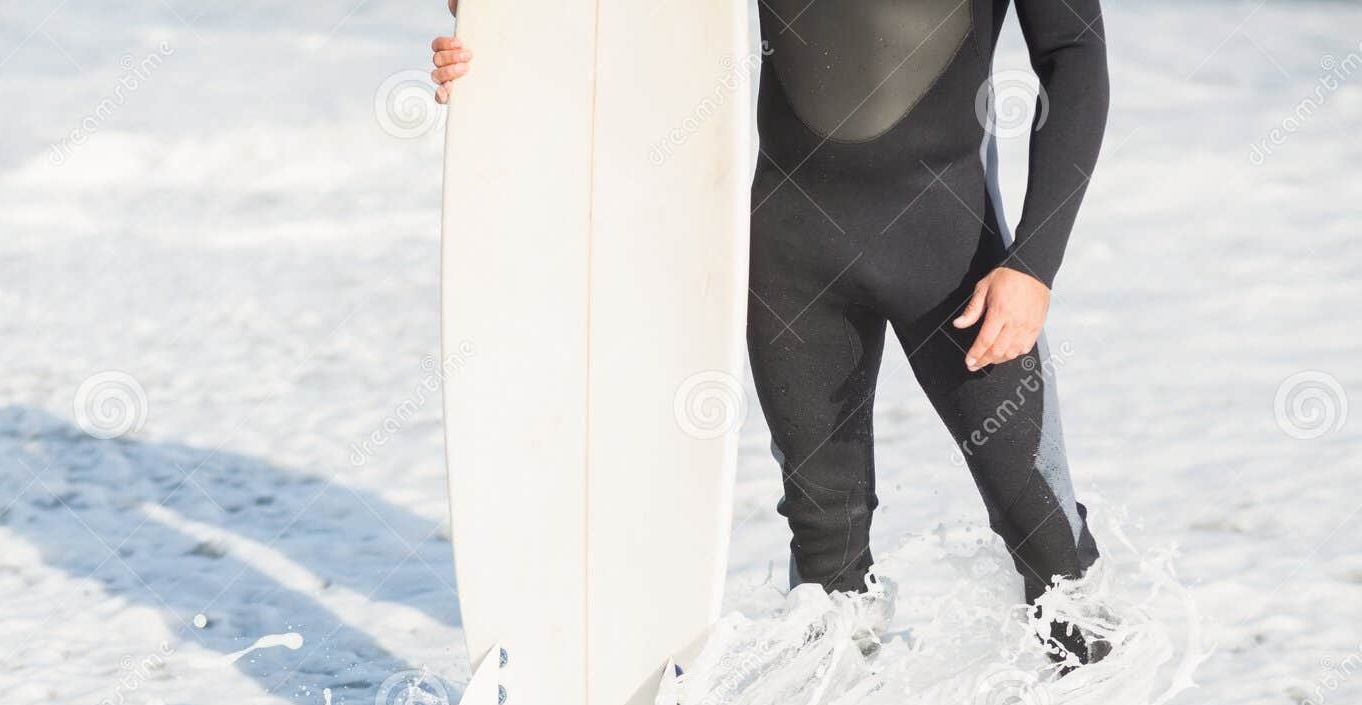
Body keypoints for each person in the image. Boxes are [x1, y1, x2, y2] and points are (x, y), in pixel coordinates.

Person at [429, 1, 1110, 667]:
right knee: (825, 552)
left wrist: (1034, 265)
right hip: (791, 259)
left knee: (1045, 535)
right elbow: (619, 30)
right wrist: (499, 46)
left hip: (955, 254)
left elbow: (1073, 54)